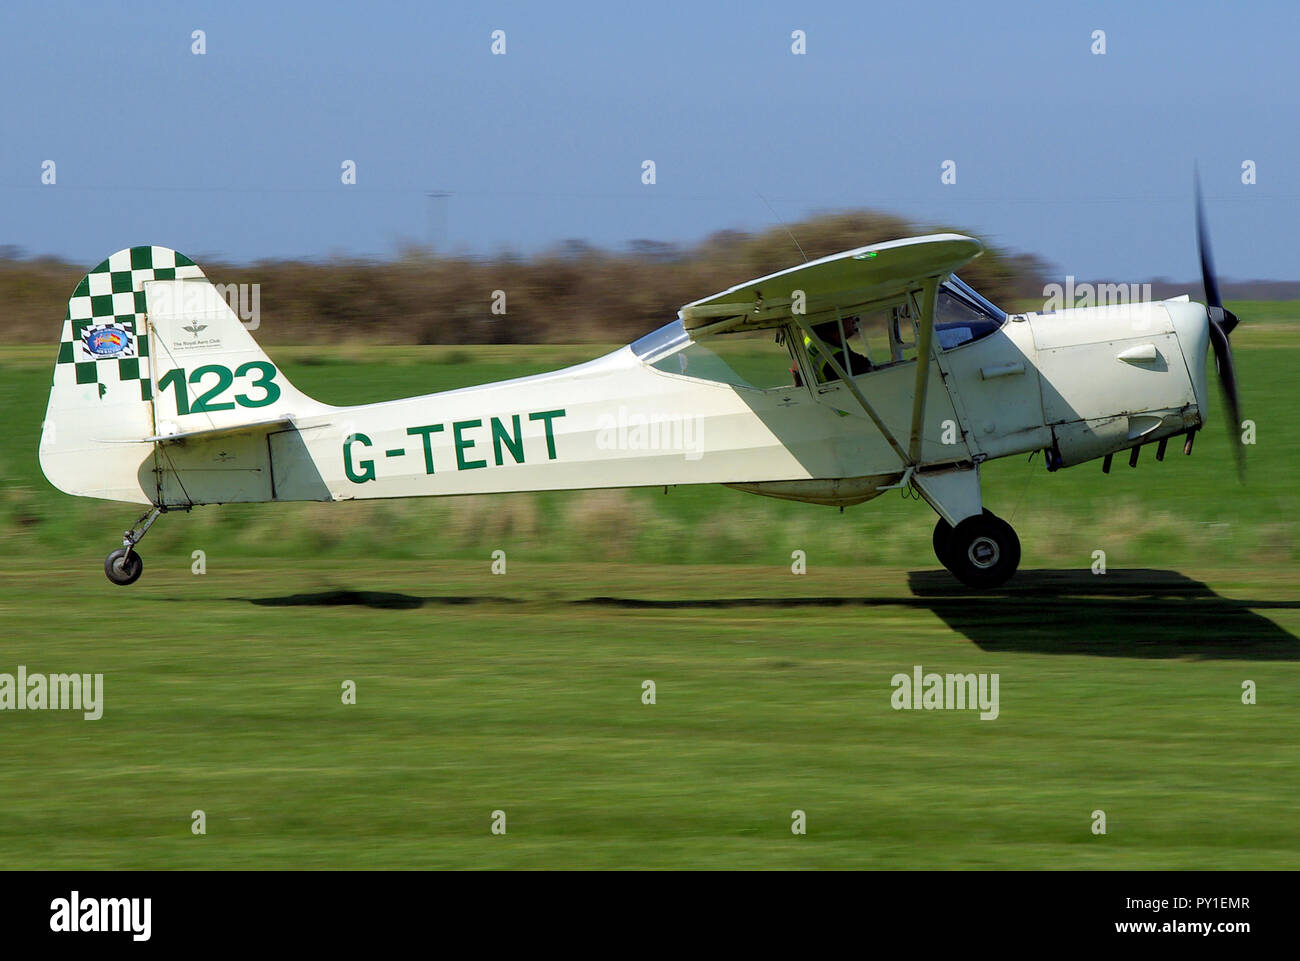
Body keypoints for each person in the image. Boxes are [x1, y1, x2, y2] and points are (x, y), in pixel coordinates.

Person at [804, 316, 872, 382]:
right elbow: (864, 367)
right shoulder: (838, 357)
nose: (854, 320)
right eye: (848, 317)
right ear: (835, 321)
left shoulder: (811, 340)